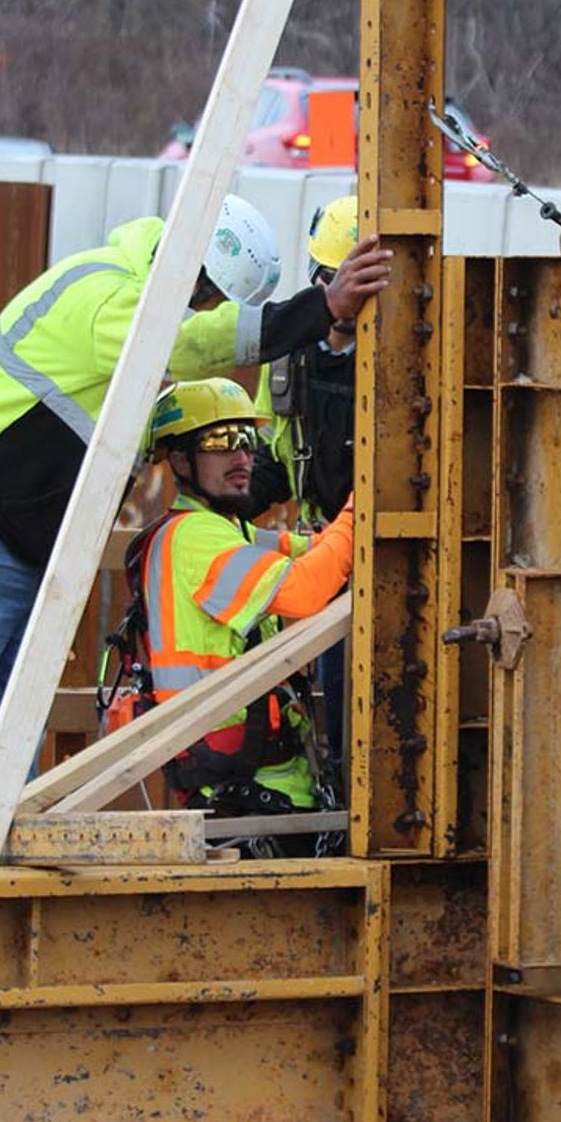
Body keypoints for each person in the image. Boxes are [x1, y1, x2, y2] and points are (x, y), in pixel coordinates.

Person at [0, 197, 390, 867]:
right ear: (190, 274)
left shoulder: (115, 287)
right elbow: (177, 344)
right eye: (205, 297)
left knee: (7, 725)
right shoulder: (113, 298)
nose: (203, 311)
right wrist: (318, 312)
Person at [142, 376, 353, 847]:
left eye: (248, 440)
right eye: (220, 441)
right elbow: (303, 591)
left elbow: (312, 552)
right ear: (179, 459)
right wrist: (361, 511)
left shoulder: (229, 533)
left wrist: (340, 529)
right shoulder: (194, 538)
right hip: (247, 796)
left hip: (258, 786)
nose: (242, 456)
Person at [248, 192, 359, 758]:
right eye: (334, 281)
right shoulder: (291, 353)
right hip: (323, 551)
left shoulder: (403, 357)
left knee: (352, 705)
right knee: (322, 703)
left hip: (372, 555)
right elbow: (275, 452)